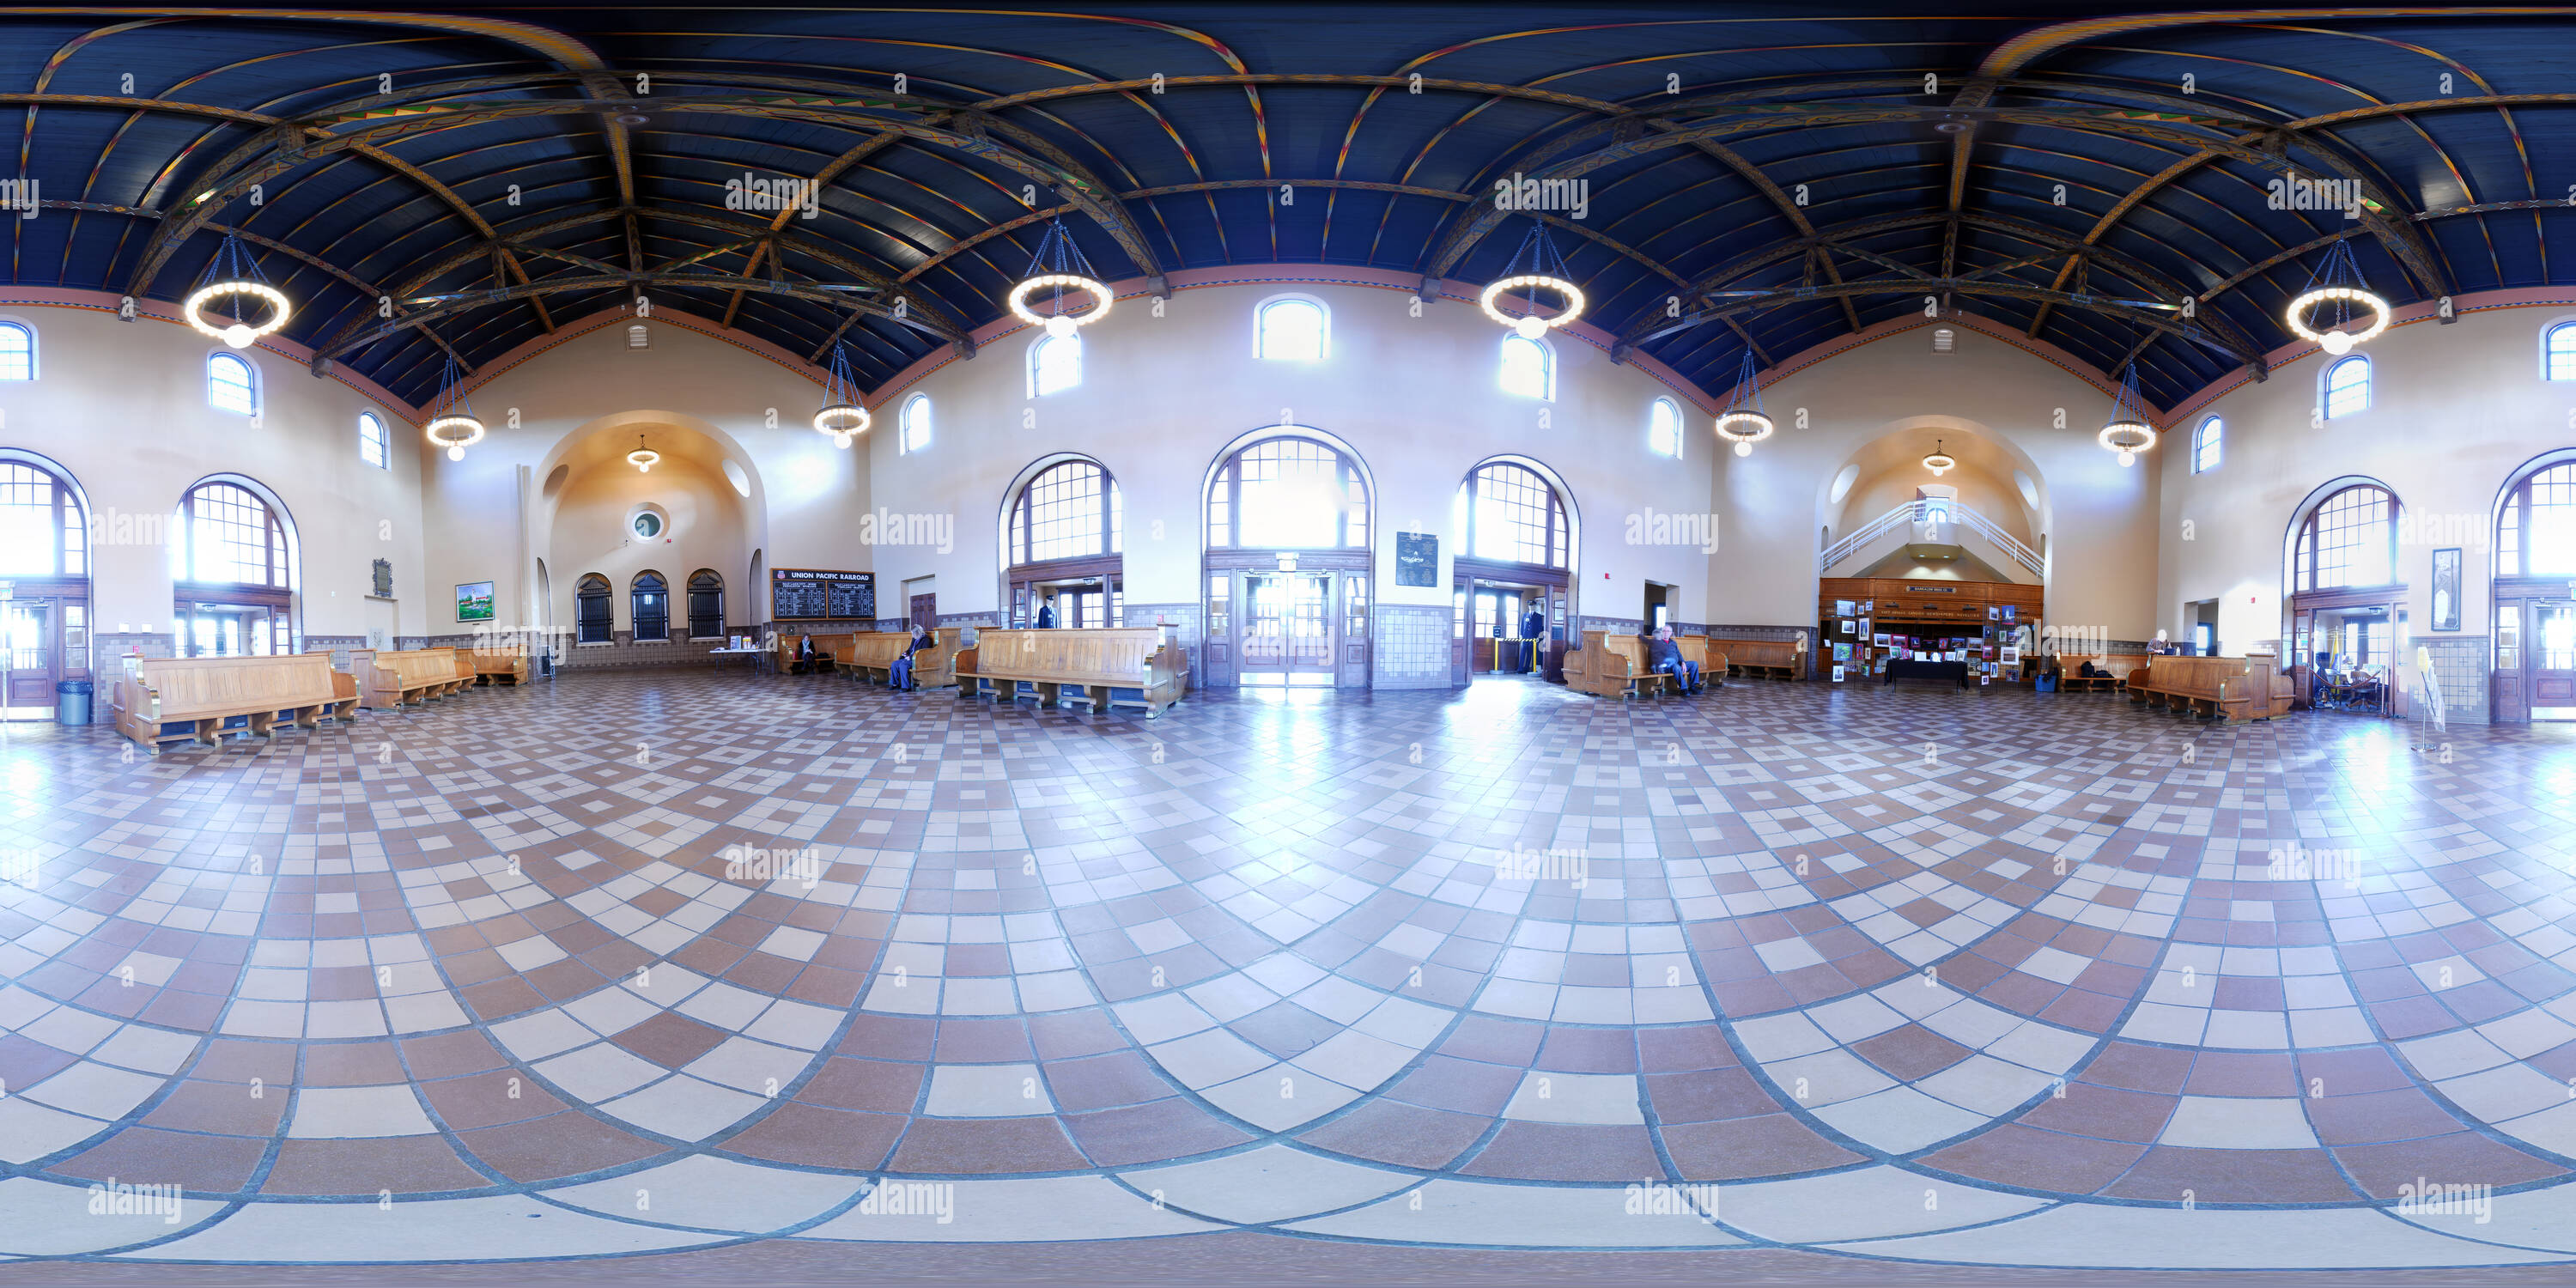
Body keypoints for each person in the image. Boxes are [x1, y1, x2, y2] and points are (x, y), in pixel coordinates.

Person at [1646, 625, 1701, 695]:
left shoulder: (1673, 643)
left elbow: (1678, 654)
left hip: (1676, 665)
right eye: (1664, 631)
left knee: (1694, 664)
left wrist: (1683, 662)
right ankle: (1683, 689)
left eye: (1668, 631)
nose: (1666, 633)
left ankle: (1693, 687)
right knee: (1676, 666)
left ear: (1671, 633)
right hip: (1665, 667)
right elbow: (1652, 656)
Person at [889, 623, 931, 690]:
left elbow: (924, 653)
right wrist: (905, 653)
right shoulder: (914, 639)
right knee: (894, 664)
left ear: (918, 632)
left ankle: (906, 687)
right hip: (909, 658)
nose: (912, 635)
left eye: (913, 633)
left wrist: (911, 657)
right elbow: (910, 649)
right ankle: (895, 684)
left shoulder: (926, 640)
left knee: (903, 665)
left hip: (917, 660)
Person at [1519, 604, 1546, 675]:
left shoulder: (1538, 616)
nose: (1531, 607)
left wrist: (1538, 637)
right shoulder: (1525, 615)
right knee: (1522, 653)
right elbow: (1522, 626)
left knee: (1530, 654)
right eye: (1530, 606)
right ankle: (1520, 668)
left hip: (1533, 637)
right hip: (1525, 637)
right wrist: (1521, 635)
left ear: (1534, 607)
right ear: (1528, 606)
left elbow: (1539, 627)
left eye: (1532, 606)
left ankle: (1526, 668)